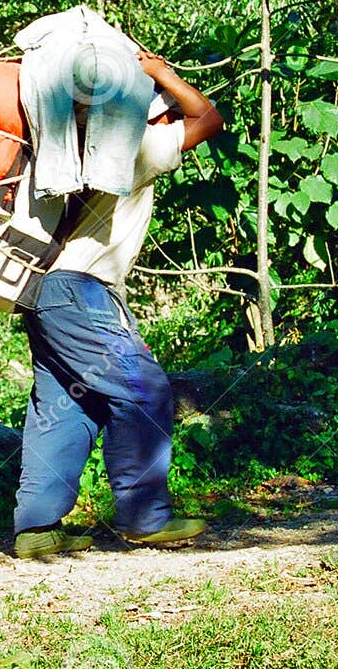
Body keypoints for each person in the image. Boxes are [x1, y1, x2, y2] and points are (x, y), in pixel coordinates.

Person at [13, 50, 226, 559]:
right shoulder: (139, 147)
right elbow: (209, 118)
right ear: (149, 115)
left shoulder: (82, 152)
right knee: (143, 390)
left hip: (44, 291)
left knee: (68, 405)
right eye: (165, 112)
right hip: (78, 288)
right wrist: (161, 74)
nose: (173, 120)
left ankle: (37, 529)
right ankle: (145, 518)